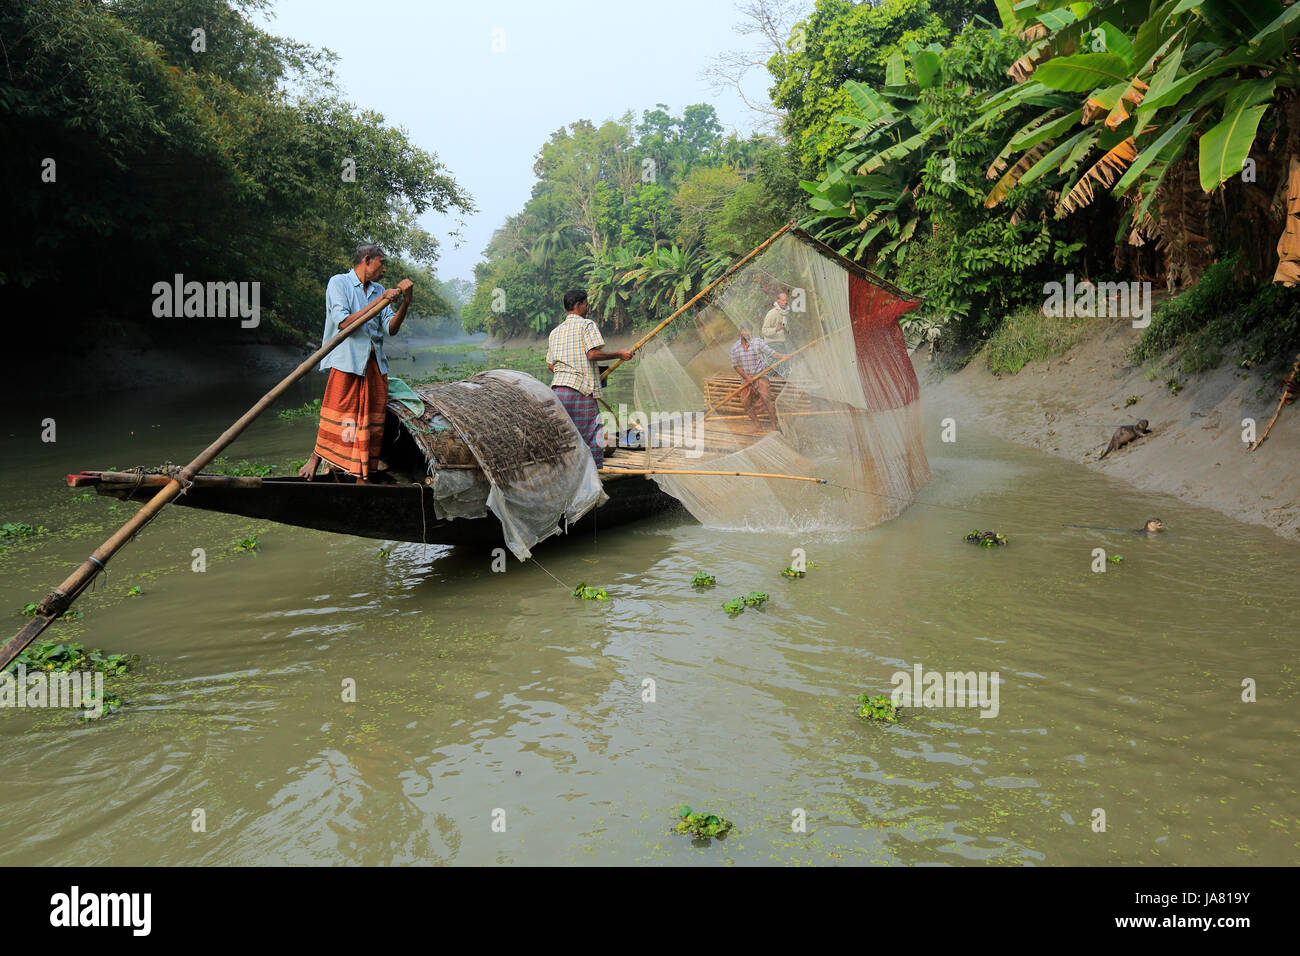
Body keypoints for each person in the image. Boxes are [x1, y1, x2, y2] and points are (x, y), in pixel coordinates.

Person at [298, 243, 411, 483]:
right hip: (347, 361)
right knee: (337, 412)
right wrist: (380, 300)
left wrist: (406, 302)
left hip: (374, 364)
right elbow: (343, 323)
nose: (384, 269)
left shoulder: (379, 289)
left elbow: (390, 328)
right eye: (381, 263)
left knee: (371, 419)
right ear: (367, 260)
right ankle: (316, 457)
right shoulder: (339, 283)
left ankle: (362, 473)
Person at [547, 290, 631, 467]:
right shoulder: (586, 325)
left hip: (557, 392)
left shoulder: (555, 332)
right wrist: (619, 354)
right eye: (585, 304)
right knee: (593, 433)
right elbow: (592, 354)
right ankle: (594, 476)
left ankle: (570, 472)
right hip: (580, 391)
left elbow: (551, 365)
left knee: (566, 435)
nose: (587, 308)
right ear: (578, 305)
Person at [730, 327, 788, 431]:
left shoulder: (757, 343)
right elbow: (736, 366)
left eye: (749, 330)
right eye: (745, 330)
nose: (747, 333)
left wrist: (782, 356)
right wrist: (747, 378)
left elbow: (771, 352)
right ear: (740, 332)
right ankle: (757, 425)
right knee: (745, 402)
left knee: (766, 398)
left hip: (760, 376)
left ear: (751, 332)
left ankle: (773, 426)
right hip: (746, 379)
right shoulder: (735, 347)